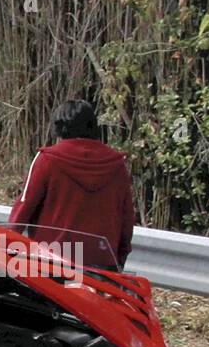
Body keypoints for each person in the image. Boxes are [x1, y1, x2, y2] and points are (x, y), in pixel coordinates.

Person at [9, 99, 137, 270]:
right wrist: (119, 257)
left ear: (59, 126)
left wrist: (7, 249)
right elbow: (127, 215)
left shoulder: (47, 160)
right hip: (102, 261)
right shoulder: (116, 164)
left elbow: (23, 210)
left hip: (52, 261)